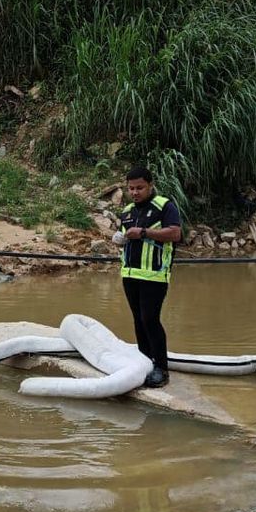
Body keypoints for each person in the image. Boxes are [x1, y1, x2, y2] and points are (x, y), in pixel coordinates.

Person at [112, 166, 182, 388]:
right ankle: (144, 361)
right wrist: (120, 239)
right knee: (138, 320)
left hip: (155, 275)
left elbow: (175, 233)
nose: (135, 192)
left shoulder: (164, 206)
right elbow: (127, 238)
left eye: (140, 187)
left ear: (150, 185)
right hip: (130, 274)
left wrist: (143, 232)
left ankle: (161, 368)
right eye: (131, 188)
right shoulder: (128, 211)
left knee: (150, 319)